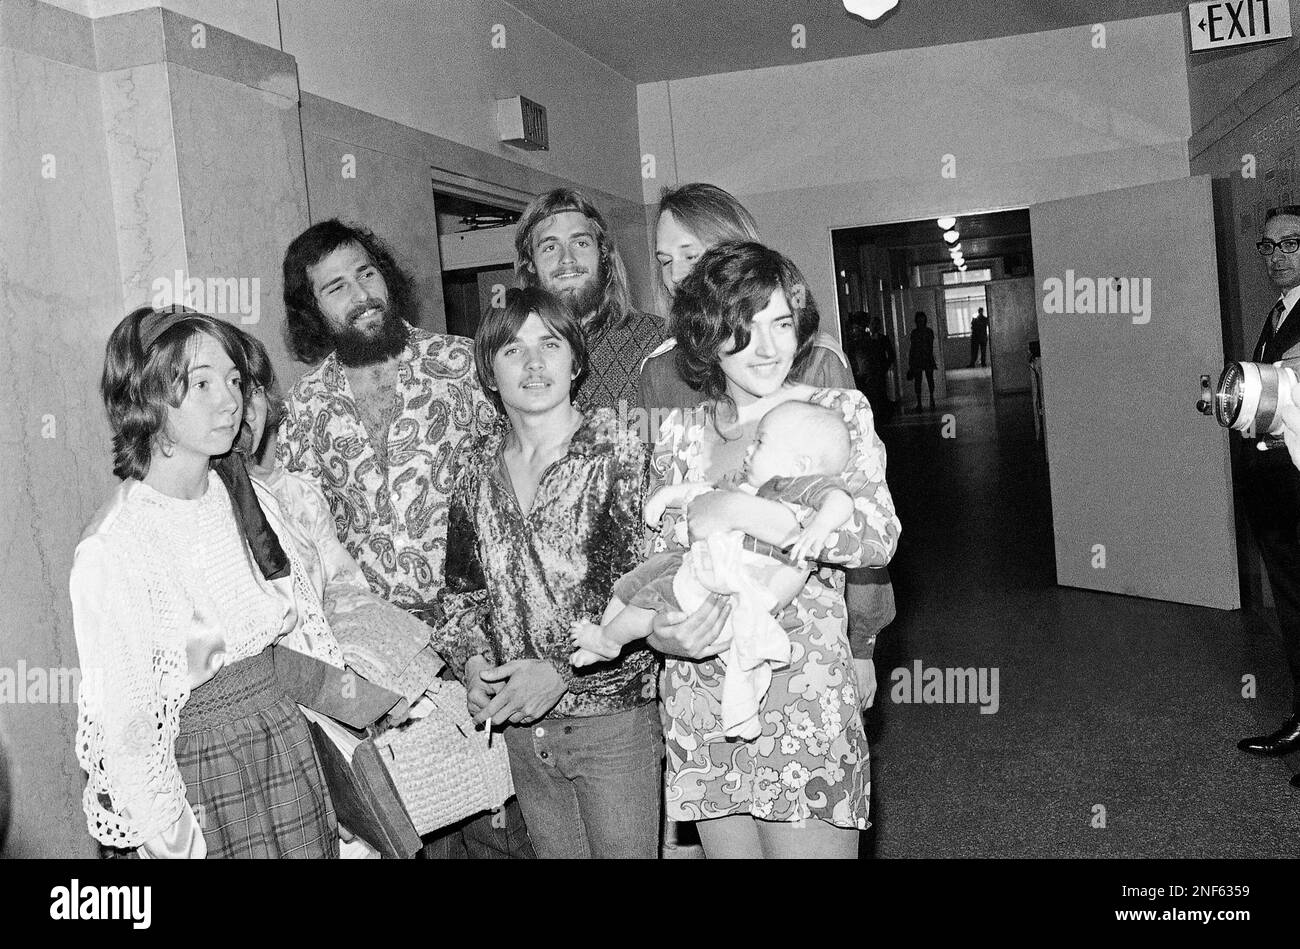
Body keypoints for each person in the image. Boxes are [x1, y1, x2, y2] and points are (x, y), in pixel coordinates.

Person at [277, 219, 531, 857]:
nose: (361, 294)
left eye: (367, 273)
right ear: (313, 309)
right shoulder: (306, 409)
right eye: (336, 287)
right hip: (381, 664)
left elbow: (516, 487)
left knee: (509, 832)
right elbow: (308, 549)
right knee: (415, 836)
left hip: (481, 639)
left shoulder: (461, 366)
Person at [646, 241, 900, 858]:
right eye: (743, 327)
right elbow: (651, 565)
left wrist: (743, 510)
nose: (767, 348)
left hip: (803, 692)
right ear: (708, 335)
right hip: (700, 699)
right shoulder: (680, 432)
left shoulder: (836, 412)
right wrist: (660, 634)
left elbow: (876, 535)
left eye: (781, 324)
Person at [71, 306, 338, 858]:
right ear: (146, 395)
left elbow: (301, 639)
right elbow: (129, 733)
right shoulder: (115, 547)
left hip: (285, 744)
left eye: (234, 380)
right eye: (201, 383)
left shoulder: (245, 495)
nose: (230, 399)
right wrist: (175, 845)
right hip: (205, 773)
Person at [430, 287, 662, 858]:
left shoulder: (623, 451)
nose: (534, 365)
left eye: (550, 344)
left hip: (612, 718)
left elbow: (653, 583)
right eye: (512, 350)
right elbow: (463, 594)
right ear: (489, 371)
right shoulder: (474, 466)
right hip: (521, 732)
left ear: (576, 360)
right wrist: (475, 664)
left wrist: (562, 669)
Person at [571, 400, 855, 741]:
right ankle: (604, 633)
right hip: (705, 566)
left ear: (801, 463)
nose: (749, 449)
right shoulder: (745, 482)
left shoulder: (792, 486)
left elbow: (841, 501)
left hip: (731, 586)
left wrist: (819, 527)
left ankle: (609, 640)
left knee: (653, 599)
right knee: (638, 578)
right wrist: (666, 497)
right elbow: (703, 491)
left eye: (761, 442)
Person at [639, 182, 854, 414]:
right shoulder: (658, 369)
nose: (675, 276)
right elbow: (650, 446)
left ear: (737, 254)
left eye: (690, 256)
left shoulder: (817, 360)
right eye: (665, 261)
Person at [1237, 205, 1300, 782]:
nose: (1277, 256)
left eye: (1290, 243)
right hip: (1277, 487)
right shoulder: (1276, 314)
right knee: (1293, 606)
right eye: (1267, 246)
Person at [514, 188, 664, 412]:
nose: (566, 259)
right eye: (550, 247)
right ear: (530, 264)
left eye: (580, 243)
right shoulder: (514, 353)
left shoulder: (657, 341)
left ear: (603, 254)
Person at [863, 316, 897, 423]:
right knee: (873, 393)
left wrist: (885, 366)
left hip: (880, 369)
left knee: (881, 391)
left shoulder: (883, 339)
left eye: (875, 324)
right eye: (872, 324)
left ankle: (884, 415)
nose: (873, 327)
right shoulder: (866, 340)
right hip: (870, 370)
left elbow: (891, 354)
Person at [908, 310, 937, 411]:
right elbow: (913, 347)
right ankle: (922, 401)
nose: (920, 321)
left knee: (927, 380)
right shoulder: (920, 332)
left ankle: (930, 399)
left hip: (924, 357)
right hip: (920, 358)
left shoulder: (922, 332)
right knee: (919, 381)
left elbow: (929, 346)